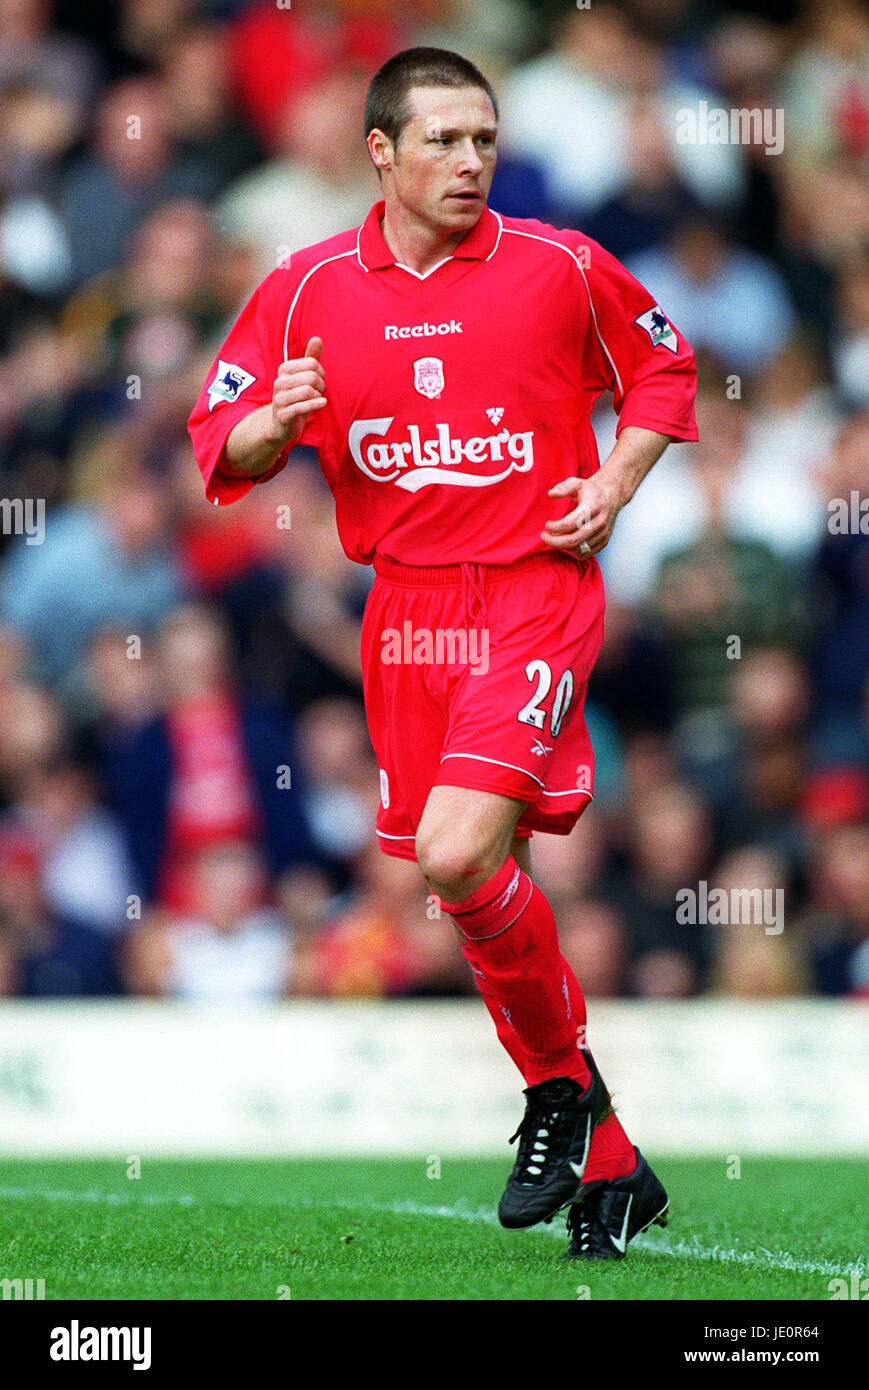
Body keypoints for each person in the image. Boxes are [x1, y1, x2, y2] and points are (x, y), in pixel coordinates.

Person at [189, 47, 698, 1261]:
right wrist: (275, 420)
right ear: (381, 152)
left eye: (482, 139)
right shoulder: (306, 288)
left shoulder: (558, 266)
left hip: (531, 586)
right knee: (461, 887)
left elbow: (663, 366)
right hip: (404, 613)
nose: (469, 162)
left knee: (456, 847)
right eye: (442, 141)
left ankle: (549, 1099)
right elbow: (221, 439)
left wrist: (615, 483)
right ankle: (607, 1151)